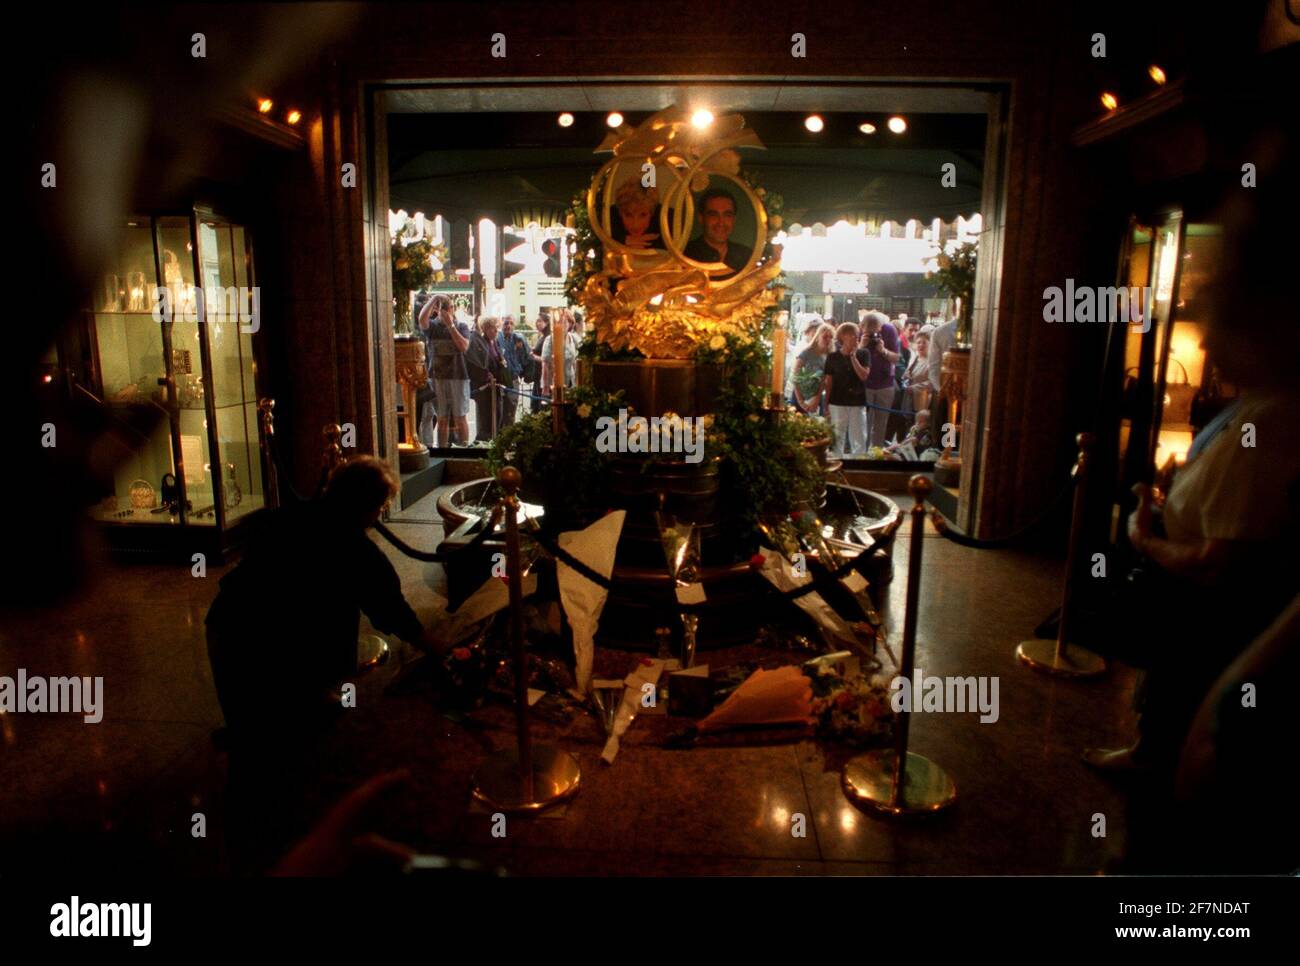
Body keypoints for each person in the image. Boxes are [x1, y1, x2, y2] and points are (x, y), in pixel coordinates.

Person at [204, 456, 444, 741]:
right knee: (294, 739)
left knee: (247, 722)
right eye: (380, 507)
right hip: (288, 651)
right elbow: (392, 612)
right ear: (369, 507)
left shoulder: (278, 519)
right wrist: (437, 647)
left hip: (228, 627)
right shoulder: (359, 553)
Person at [418, 294, 471, 447]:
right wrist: (434, 299)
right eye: (443, 309)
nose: (447, 311)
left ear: (453, 309)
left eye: (449, 308)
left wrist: (450, 326)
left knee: (460, 417)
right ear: (437, 310)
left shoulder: (461, 326)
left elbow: (464, 347)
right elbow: (422, 319)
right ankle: (442, 450)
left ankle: (464, 448)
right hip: (437, 377)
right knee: (442, 418)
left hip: (458, 377)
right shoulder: (433, 327)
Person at [821, 321, 871, 457]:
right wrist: (826, 404)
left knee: (859, 436)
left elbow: (864, 376)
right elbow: (828, 382)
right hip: (837, 401)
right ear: (843, 337)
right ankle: (837, 463)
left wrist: (853, 357)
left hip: (857, 401)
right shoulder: (832, 357)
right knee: (837, 436)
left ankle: (859, 464)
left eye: (857, 335)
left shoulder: (863, 354)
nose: (856, 338)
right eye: (853, 335)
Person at [683, 187, 752, 280]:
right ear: (701, 218)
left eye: (727, 215)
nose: (721, 222)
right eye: (713, 215)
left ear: (733, 220)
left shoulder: (747, 256)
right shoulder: (685, 255)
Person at [859, 310, 901, 449]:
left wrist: (883, 350)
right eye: (868, 332)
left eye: (876, 332)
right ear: (861, 327)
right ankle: (862, 453)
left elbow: (896, 358)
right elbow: (849, 358)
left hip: (885, 383)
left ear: (881, 327)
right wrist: (861, 346)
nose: (873, 335)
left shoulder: (889, 330)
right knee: (863, 422)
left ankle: (876, 453)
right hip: (864, 384)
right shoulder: (858, 332)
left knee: (881, 424)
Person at [466, 316, 508, 443]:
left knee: (498, 416)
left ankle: (495, 441)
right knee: (486, 418)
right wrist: (486, 375)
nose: (496, 331)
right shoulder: (479, 341)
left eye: (497, 328)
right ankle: (483, 443)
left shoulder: (495, 342)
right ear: (485, 328)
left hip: (497, 385)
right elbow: (475, 363)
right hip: (485, 386)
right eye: (492, 328)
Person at [496, 314, 530, 428]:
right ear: (502, 323)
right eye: (506, 323)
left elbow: (526, 358)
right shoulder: (497, 338)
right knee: (499, 412)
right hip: (499, 380)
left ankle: (509, 438)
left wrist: (521, 347)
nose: (508, 326)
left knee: (511, 411)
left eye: (511, 323)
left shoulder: (518, 338)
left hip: (514, 379)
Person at [791, 321, 833, 415]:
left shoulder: (829, 356)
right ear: (817, 337)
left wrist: (817, 398)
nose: (828, 340)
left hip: (816, 396)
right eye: (825, 337)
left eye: (830, 337)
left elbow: (824, 380)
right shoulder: (806, 353)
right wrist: (801, 401)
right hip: (800, 394)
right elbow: (795, 377)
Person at [612, 180, 664, 250]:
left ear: (652, 213)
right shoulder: (610, 217)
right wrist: (621, 241)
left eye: (643, 215)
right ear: (620, 213)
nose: (635, 225)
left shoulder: (665, 218)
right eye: (628, 215)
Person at [540, 308, 579, 395]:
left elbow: (574, 362)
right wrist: (545, 387)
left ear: (570, 324)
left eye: (565, 322)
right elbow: (545, 364)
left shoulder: (572, 338)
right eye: (560, 322)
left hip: (569, 383)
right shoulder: (550, 339)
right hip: (553, 385)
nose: (562, 325)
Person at [529, 313, 551, 413]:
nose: (537, 323)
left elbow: (546, 359)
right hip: (537, 374)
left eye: (540, 321)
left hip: (543, 374)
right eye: (536, 321)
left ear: (546, 323)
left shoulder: (548, 338)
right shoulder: (541, 336)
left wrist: (533, 356)